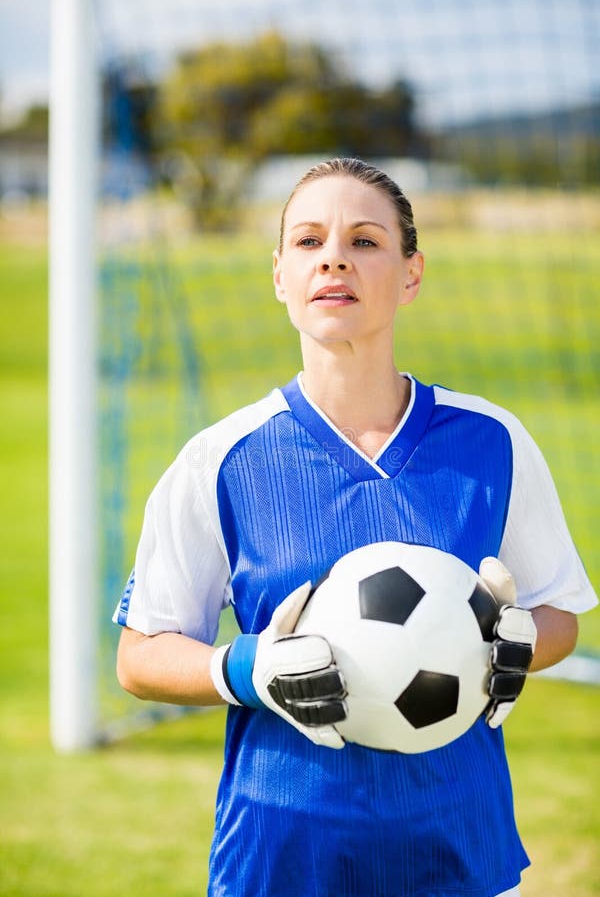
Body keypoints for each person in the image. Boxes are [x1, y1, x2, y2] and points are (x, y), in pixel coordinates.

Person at [113, 157, 597, 897]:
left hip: (459, 850)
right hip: (281, 856)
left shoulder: (493, 443)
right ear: (280, 275)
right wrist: (247, 669)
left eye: (365, 241)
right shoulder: (219, 460)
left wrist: (524, 642)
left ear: (411, 273)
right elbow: (141, 656)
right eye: (309, 241)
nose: (334, 256)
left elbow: (558, 614)